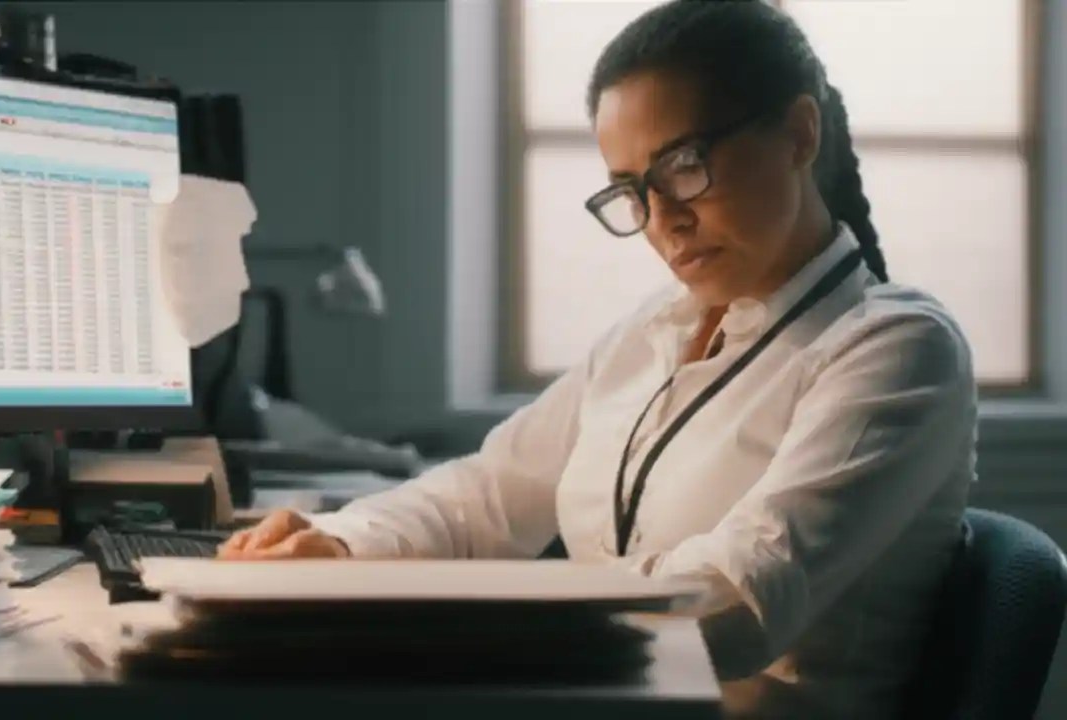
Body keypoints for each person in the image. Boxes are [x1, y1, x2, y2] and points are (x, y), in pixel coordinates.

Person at [218, 1, 977, 718]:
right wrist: (345, 542)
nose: (664, 221)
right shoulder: (655, 329)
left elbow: (735, 600)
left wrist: (458, 610)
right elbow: (492, 493)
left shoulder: (896, 348)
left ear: (799, 134)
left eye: (685, 165)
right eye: (633, 191)